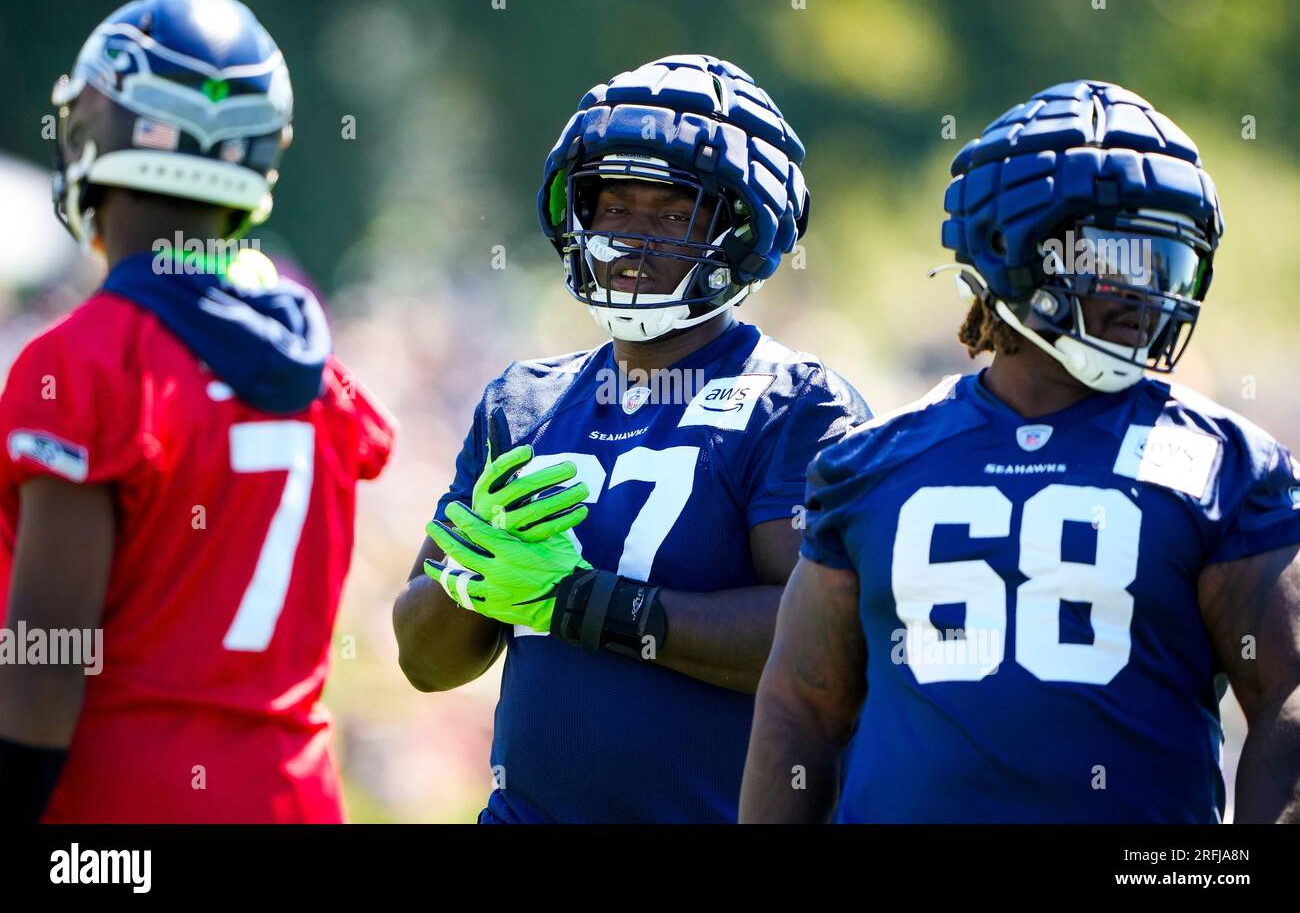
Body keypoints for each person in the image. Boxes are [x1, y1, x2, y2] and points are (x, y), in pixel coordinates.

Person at [740, 79, 1300, 823]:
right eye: (1117, 257)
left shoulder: (1223, 465)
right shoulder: (873, 464)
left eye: (1164, 260)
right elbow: (800, 708)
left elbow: (1285, 699)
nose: (1145, 292)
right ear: (1012, 249)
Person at [394, 54, 869, 822]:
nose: (632, 239)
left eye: (670, 212)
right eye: (613, 205)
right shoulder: (524, 402)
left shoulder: (795, 407)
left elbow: (822, 648)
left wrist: (578, 601)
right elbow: (424, 660)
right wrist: (474, 577)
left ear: (742, 226)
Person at [0, 0, 394, 822]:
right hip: (291, 795)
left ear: (99, 132)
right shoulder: (323, 378)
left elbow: (46, 659)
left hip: (121, 814)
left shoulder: (85, 362)